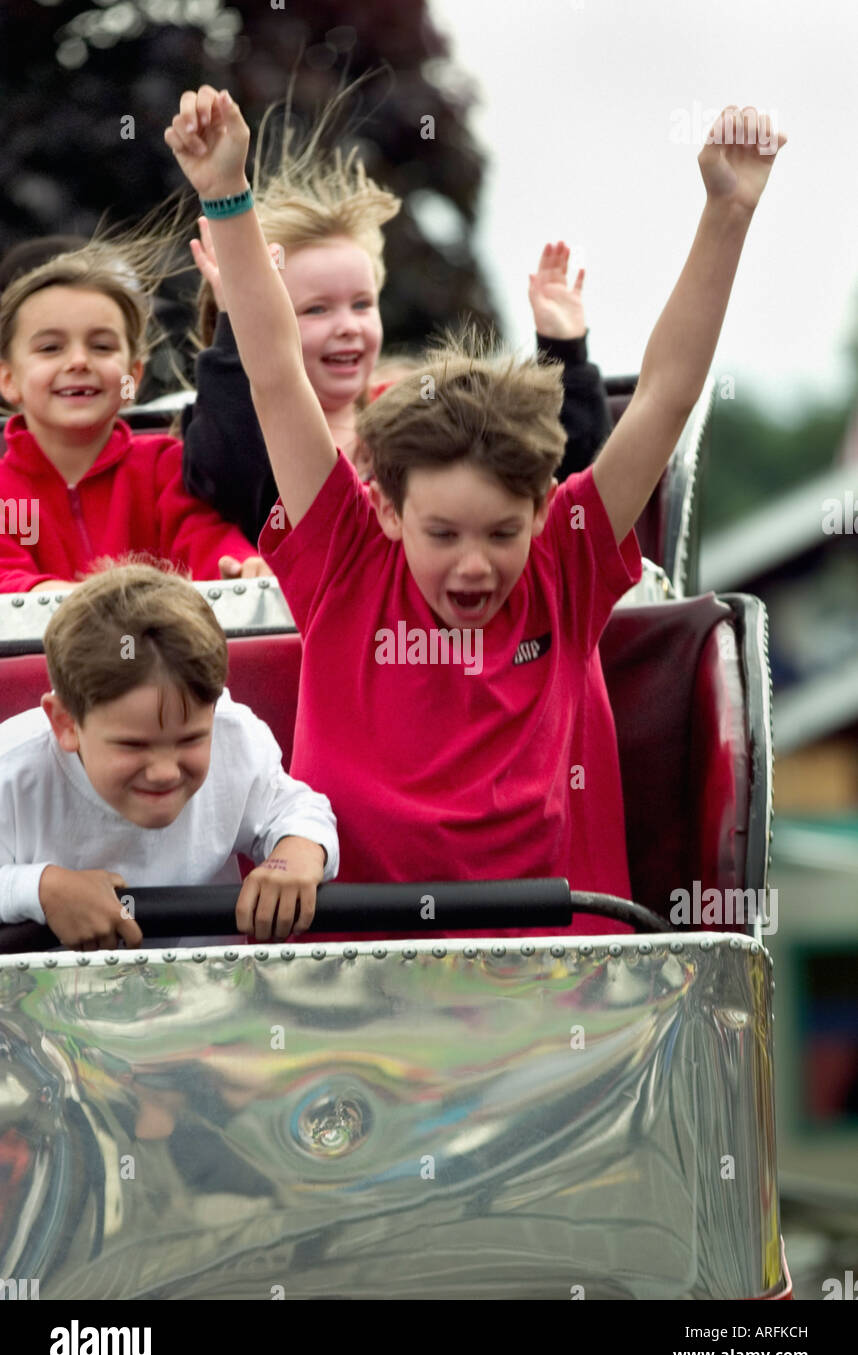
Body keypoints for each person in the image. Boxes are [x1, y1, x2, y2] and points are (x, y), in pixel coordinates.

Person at [165, 88, 784, 938]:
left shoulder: (566, 561)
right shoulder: (344, 554)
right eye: (443, 534)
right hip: (359, 975)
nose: (474, 566)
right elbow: (275, 373)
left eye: (501, 533)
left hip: (556, 978)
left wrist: (727, 210)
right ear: (384, 510)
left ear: (541, 511)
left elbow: (667, 397)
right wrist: (226, 195)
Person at [182, 138, 609, 547]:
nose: (348, 325)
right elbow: (229, 475)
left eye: (362, 304)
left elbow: (551, 472)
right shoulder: (228, 439)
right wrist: (240, 322)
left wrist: (564, 353)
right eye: (316, 310)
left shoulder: (427, 417)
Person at [0, 562, 338, 949]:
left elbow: (299, 808)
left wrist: (296, 852)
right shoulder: (12, 772)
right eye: (133, 745)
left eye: (191, 739)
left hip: (216, 999)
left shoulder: (234, 737)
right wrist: (41, 888)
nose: (164, 772)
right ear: (66, 724)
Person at [0, 243, 270, 592]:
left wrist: (243, 568)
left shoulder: (163, 466)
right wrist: (61, 598)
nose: (79, 361)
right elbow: (6, 575)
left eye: (102, 346)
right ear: (7, 380)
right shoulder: (7, 492)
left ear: (134, 377)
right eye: (51, 348)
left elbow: (206, 539)